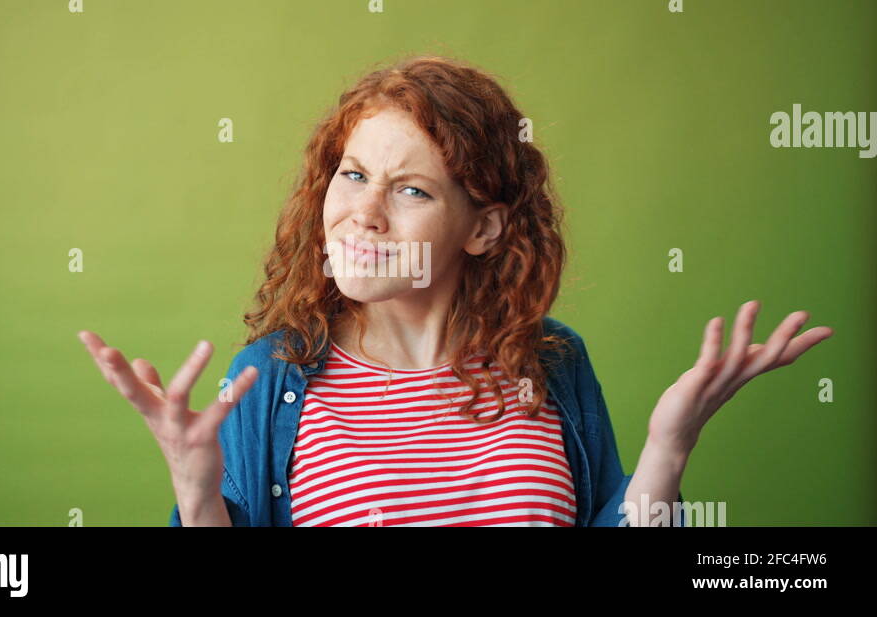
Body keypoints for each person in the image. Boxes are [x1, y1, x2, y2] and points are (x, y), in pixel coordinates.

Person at [77, 55, 834, 527]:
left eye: (410, 190)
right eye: (353, 174)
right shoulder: (274, 375)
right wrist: (197, 493)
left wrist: (668, 450)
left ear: (483, 228)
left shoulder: (553, 363)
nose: (363, 213)